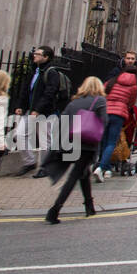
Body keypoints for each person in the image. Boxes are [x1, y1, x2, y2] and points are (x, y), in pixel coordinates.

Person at [45, 77, 107, 224]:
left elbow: (63, 122)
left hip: (70, 143)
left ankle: (89, 206)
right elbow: (105, 121)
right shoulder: (99, 101)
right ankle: (54, 210)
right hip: (86, 145)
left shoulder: (74, 102)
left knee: (83, 173)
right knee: (73, 177)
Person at [8, 46, 70, 177]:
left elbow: (49, 93)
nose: (34, 56)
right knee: (19, 135)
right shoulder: (33, 71)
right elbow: (25, 90)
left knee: (44, 140)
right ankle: (30, 162)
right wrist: (20, 105)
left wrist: (38, 109)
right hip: (30, 111)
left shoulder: (51, 73)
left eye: (38, 54)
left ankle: (45, 167)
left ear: (46, 57)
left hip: (45, 112)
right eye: (35, 53)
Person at [95, 52, 137, 180]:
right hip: (118, 114)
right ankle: (102, 167)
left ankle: (107, 168)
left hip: (105, 112)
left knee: (103, 140)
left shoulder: (112, 81)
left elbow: (102, 94)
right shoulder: (133, 85)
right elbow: (131, 102)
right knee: (111, 142)